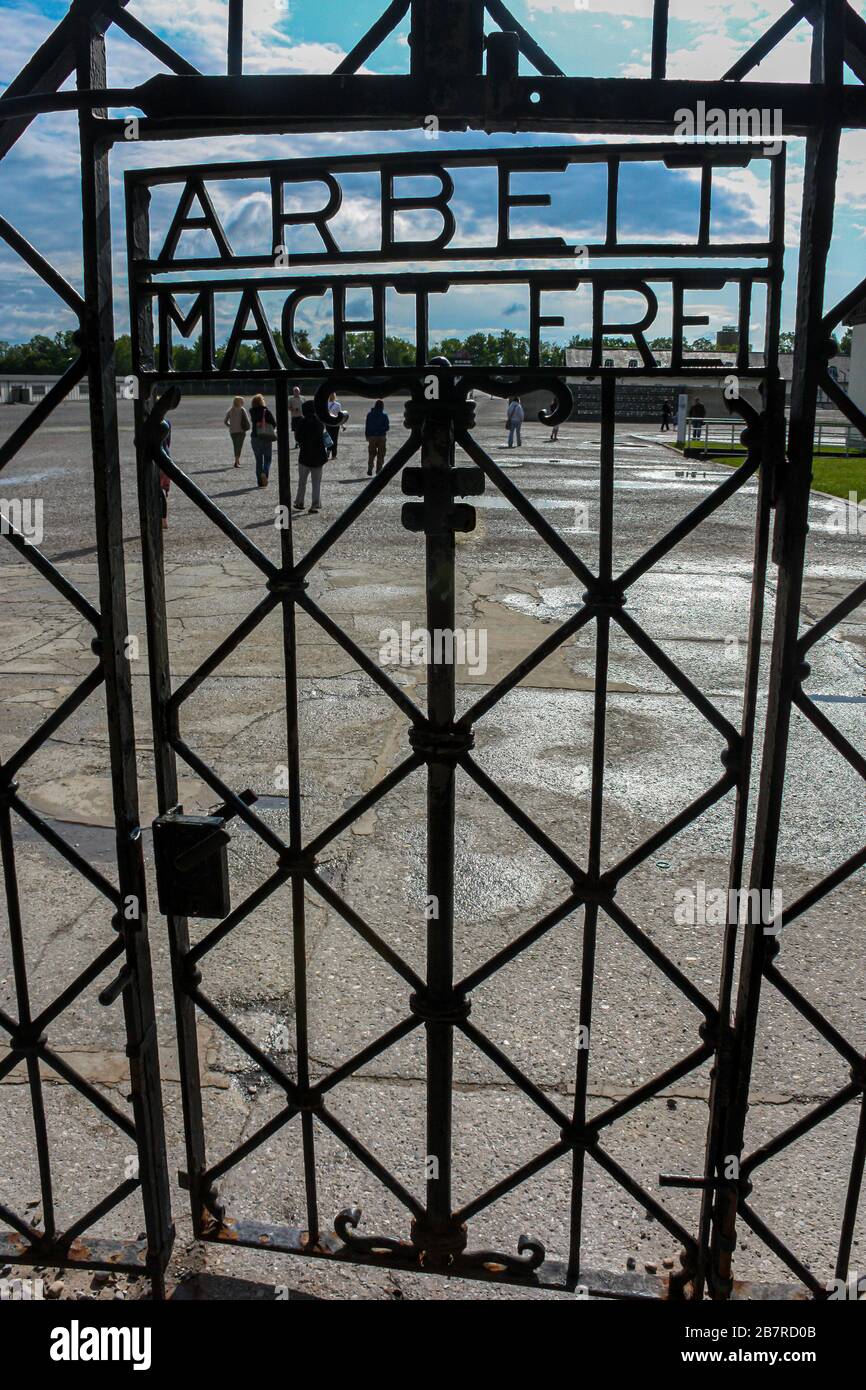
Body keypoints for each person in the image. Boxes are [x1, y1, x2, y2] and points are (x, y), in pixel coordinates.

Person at [294, 400, 328, 514]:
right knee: (316, 483)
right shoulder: (320, 422)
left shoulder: (301, 422)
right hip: (318, 457)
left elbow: (297, 438)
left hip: (304, 456)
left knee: (302, 482)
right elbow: (325, 437)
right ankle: (314, 505)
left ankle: (299, 502)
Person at [249, 393, 277, 487]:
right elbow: (274, 423)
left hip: (255, 438)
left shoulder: (252, 411)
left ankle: (260, 482)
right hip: (265, 437)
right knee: (268, 459)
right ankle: (265, 473)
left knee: (258, 460)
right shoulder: (266, 411)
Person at [224, 395, 251, 467]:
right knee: (239, 446)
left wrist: (231, 425)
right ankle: (236, 462)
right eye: (242, 401)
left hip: (232, 431)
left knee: (235, 446)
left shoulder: (230, 410)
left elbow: (225, 421)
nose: (243, 402)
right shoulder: (242, 409)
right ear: (240, 402)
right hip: (241, 431)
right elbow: (247, 420)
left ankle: (237, 460)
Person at [365, 399, 390, 476]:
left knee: (371, 453)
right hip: (381, 436)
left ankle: (370, 466)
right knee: (381, 454)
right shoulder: (384, 415)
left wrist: (367, 435)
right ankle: (378, 470)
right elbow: (387, 427)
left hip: (372, 436)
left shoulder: (369, 414)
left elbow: (367, 426)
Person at [326, 390, 344, 459]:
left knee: (328, 438)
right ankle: (334, 455)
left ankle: (328, 451)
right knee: (335, 439)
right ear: (335, 396)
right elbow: (340, 416)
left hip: (328, 423)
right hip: (336, 424)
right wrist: (342, 425)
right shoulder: (338, 405)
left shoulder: (326, 404)